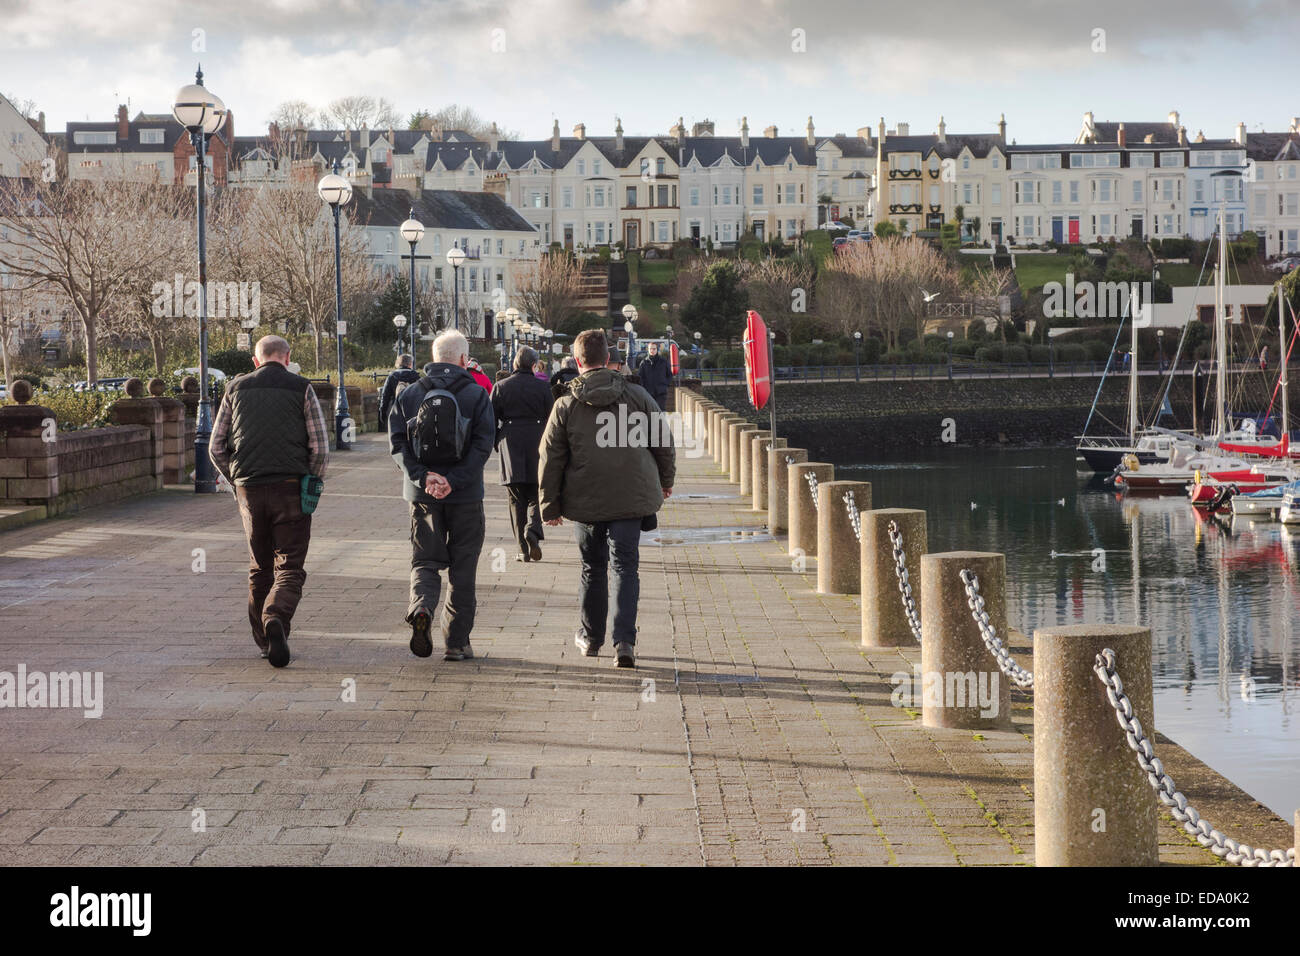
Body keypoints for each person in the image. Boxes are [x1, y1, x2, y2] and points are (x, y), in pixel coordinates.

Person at [539, 330, 675, 668]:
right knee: (625, 567)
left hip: (585, 500)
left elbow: (550, 457)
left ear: (578, 360)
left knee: (592, 567)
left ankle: (590, 637)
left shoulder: (565, 405)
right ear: (608, 358)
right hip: (631, 495)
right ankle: (624, 642)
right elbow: (662, 441)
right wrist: (665, 481)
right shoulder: (638, 395)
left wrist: (549, 505)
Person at [209, 335, 329, 668]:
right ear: (287, 358)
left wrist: (235, 481)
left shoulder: (235, 389)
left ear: (255, 360)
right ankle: (275, 617)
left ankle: (264, 642)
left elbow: (215, 447)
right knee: (289, 565)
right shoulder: (302, 387)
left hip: (249, 487)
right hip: (290, 486)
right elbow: (320, 447)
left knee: (259, 568)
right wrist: (312, 481)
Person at [391, 329, 496, 662]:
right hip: (465, 495)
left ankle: (421, 608)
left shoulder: (408, 394)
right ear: (464, 359)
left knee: (425, 560)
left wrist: (424, 478)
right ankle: (456, 642)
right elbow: (484, 444)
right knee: (463, 569)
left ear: (434, 357)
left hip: (422, 496)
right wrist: (455, 479)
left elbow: (397, 444)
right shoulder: (477, 394)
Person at [491, 346, 554, 562]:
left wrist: (497, 441)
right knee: (537, 492)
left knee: (515, 497)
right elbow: (551, 418)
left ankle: (522, 548)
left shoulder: (500, 387)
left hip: (510, 440)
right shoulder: (543, 388)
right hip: (537, 439)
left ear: (515, 364)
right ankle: (533, 530)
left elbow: (491, 419)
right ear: (534, 365)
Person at [379, 354, 421, 430]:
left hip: (396, 409)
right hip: (412, 411)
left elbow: (385, 396)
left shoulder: (392, 376)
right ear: (410, 363)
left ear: (398, 363)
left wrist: (382, 413)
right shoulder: (416, 376)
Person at [636, 341, 672, 411]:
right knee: (650, 411)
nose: (652, 350)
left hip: (661, 392)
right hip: (648, 392)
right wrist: (644, 388)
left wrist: (665, 385)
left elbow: (669, 375)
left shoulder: (663, 361)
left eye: (654, 349)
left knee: (661, 411)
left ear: (657, 349)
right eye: (650, 349)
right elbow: (640, 378)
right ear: (648, 350)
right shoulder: (643, 363)